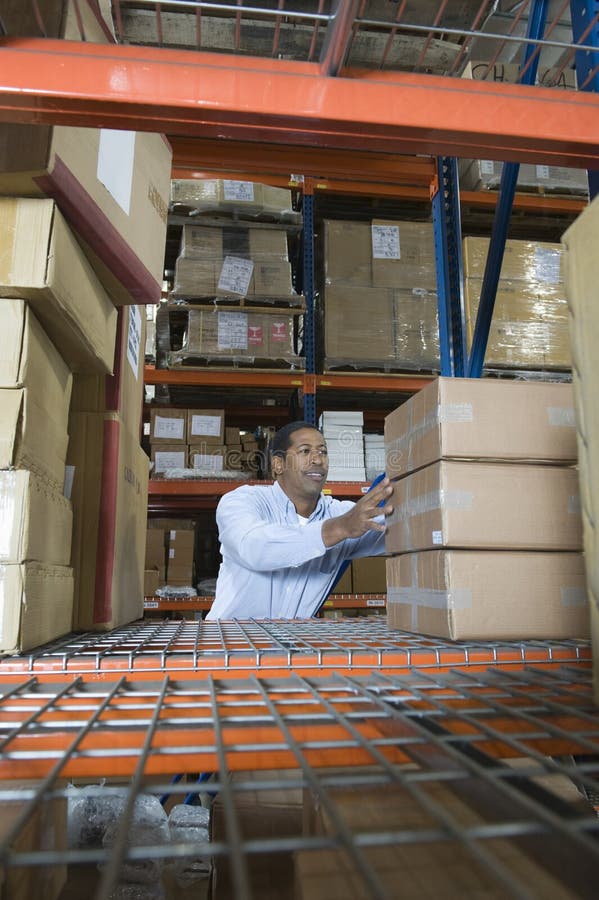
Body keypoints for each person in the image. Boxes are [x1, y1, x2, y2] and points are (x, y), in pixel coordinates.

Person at [206, 420, 393, 619]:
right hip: (228, 643)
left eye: (323, 452)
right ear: (278, 464)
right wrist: (338, 529)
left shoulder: (342, 514)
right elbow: (254, 547)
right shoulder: (242, 501)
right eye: (305, 451)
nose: (318, 460)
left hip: (289, 646)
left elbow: (400, 529)